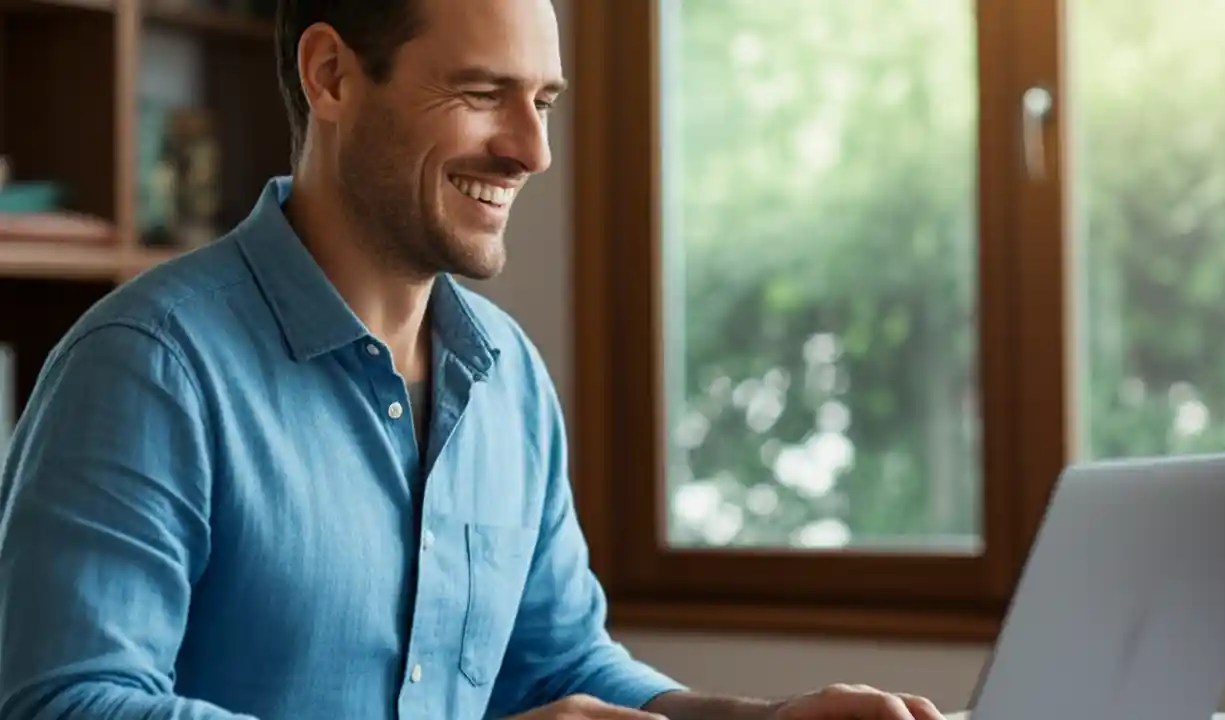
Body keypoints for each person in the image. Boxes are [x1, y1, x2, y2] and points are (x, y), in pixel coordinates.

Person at [0, 1, 949, 718]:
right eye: (482, 94)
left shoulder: (510, 380)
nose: (531, 149)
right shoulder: (148, 367)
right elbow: (70, 704)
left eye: (542, 101)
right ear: (331, 76)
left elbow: (560, 663)